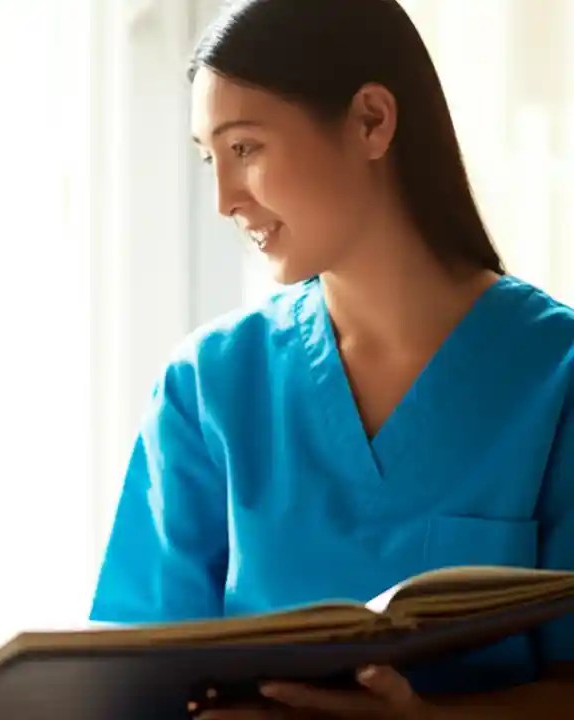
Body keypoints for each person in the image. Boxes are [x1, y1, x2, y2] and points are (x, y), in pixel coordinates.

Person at [90, 0, 574, 717]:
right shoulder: (208, 386)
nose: (223, 198)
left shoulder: (554, 377)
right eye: (208, 159)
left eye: (245, 148)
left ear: (372, 121)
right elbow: (131, 680)